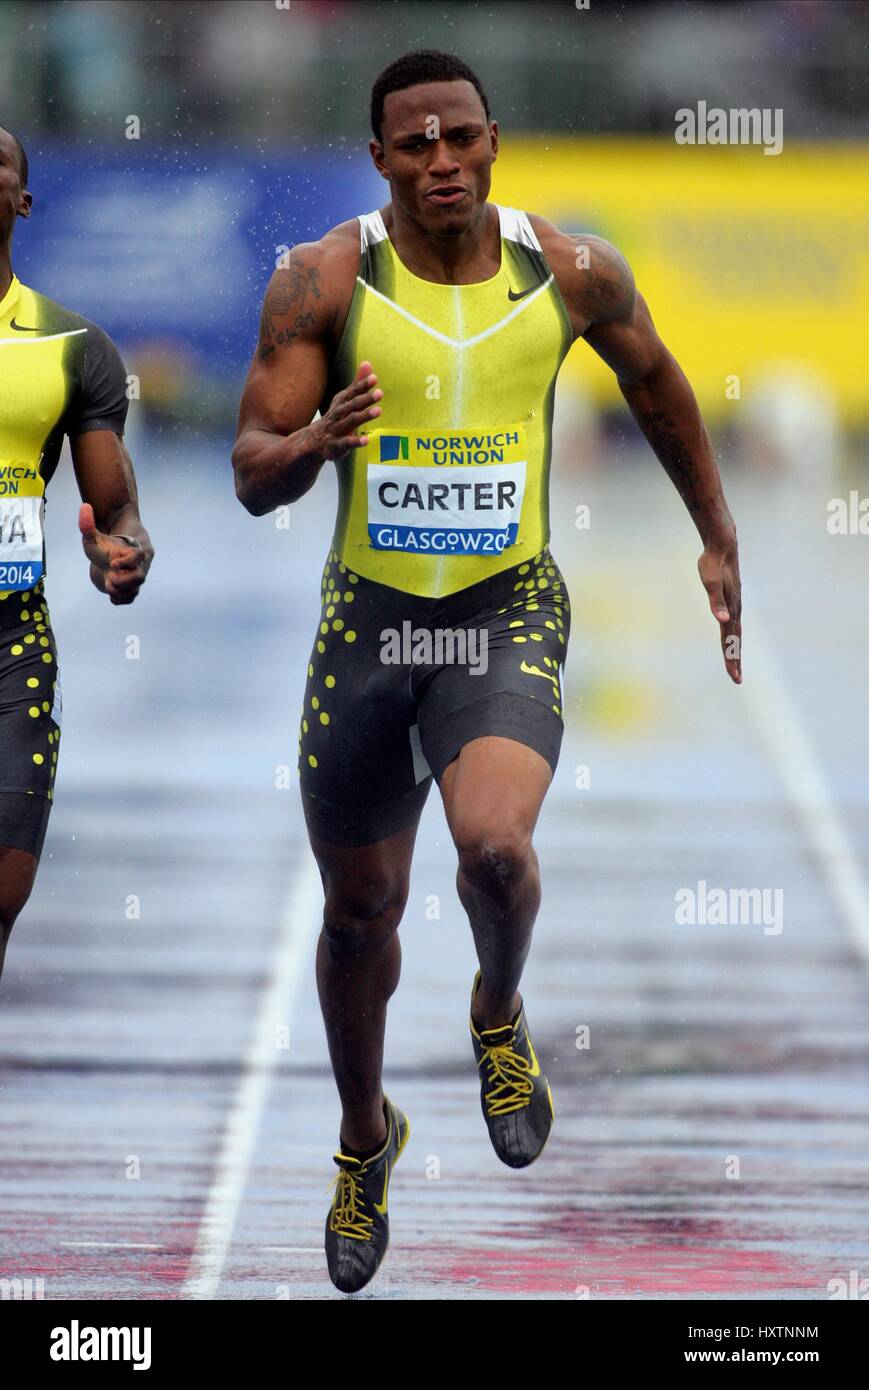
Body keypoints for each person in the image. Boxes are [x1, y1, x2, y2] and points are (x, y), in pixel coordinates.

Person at [232, 50, 741, 1294]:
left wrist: (716, 538)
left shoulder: (568, 271)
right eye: (413, 145)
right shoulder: (320, 281)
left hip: (501, 610)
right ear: (378, 161)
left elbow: (660, 385)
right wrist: (313, 442)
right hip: (368, 626)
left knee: (495, 853)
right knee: (359, 917)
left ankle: (495, 1015)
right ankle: (365, 1138)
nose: (440, 161)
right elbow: (249, 468)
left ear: (493, 141)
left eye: (458, 137)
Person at [0, 125, 153, 981]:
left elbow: (117, 508)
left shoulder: (72, 349)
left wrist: (120, 555)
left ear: (22, 199)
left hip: (9, 652)